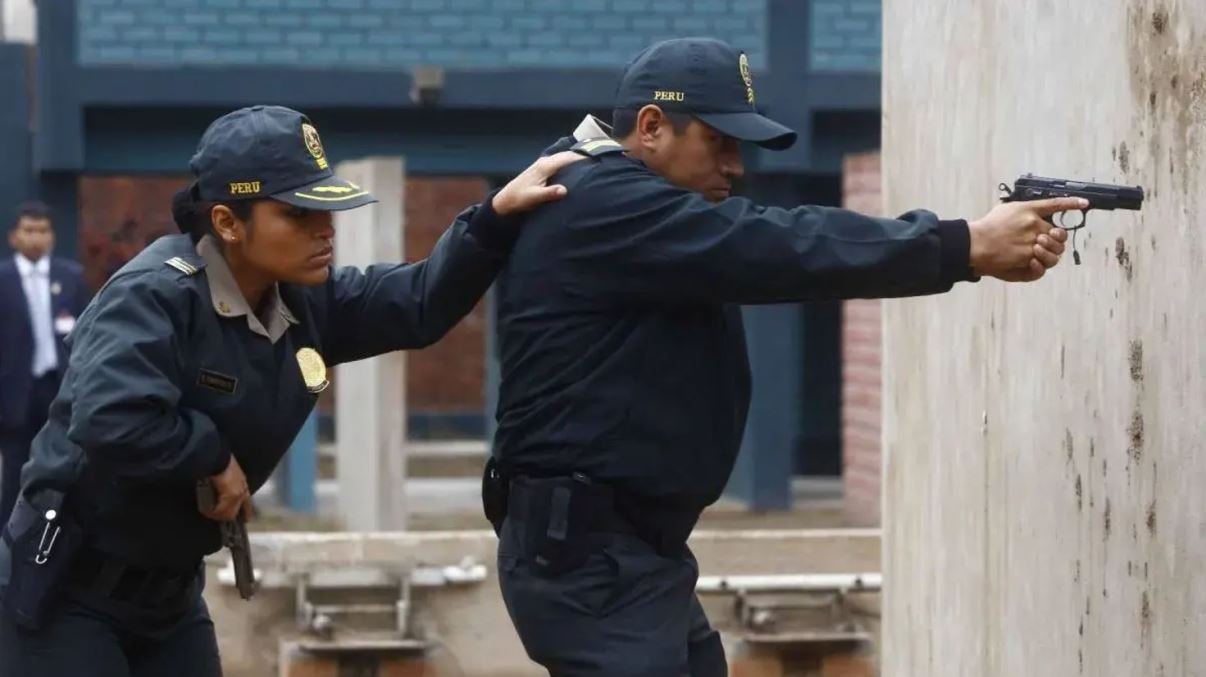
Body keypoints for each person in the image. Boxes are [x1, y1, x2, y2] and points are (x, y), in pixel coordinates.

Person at [485, 38, 1086, 676]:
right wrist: (961, 244)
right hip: (589, 555)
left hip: (626, 549)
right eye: (719, 141)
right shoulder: (600, 199)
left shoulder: (622, 204)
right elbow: (776, 245)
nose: (735, 166)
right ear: (653, 127)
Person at [0, 105, 582, 676]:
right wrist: (213, 457)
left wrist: (495, 217)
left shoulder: (304, 299)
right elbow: (112, 418)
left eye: (325, 211)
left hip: (169, 599)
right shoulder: (154, 295)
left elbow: (419, 302)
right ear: (228, 223)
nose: (324, 229)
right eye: (298, 216)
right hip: (67, 594)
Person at [0, 202, 88, 527]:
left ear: (52, 236)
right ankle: (10, 545)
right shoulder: (3, 279)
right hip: (15, 393)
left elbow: (85, 333)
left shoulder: (71, 277)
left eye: (42, 231)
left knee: (62, 467)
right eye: (28, 230)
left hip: (59, 388)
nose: (35, 238)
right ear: (14, 236)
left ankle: (54, 536)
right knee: (14, 473)